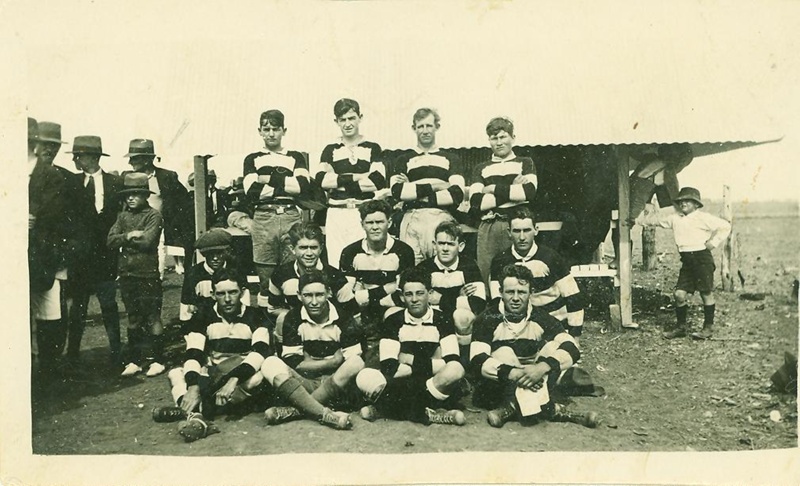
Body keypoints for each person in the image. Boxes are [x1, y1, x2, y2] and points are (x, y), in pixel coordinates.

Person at [470, 264, 599, 429]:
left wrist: (541, 368)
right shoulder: (488, 318)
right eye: (510, 292)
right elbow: (477, 359)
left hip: (536, 377)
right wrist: (515, 373)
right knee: (504, 351)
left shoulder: (540, 316)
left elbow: (572, 347)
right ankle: (551, 410)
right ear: (501, 292)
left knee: (554, 346)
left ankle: (511, 408)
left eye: (522, 292)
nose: (516, 298)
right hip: (501, 385)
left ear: (530, 293)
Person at [152, 269, 273, 442]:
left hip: (242, 377)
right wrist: (193, 387)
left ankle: (190, 412)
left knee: (260, 376)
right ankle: (197, 414)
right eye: (221, 294)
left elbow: (259, 353)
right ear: (213, 294)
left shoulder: (255, 316)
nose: (228, 299)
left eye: (233, 292)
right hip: (215, 375)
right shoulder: (203, 316)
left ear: (243, 292)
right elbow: (194, 353)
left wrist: (234, 379)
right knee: (176, 373)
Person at [356, 267, 467, 426]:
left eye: (420, 293)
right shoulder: (393, 321)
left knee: (455, 369)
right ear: (401, 296)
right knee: (364, 376)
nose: (414, 299)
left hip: (431, 382)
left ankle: (384, 409)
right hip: (403, 383)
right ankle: (428, 413)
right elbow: (389, 368)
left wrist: (408, 359)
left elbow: (452, 362)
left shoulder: (442, 319)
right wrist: (432, 362)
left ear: (429, 294)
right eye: (409, 294)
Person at [260, 270, 365, 430]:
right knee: (270, 363)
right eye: (308, 295)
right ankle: (325, 414)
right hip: (304, 384)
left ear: (329, 293)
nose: (314, 301)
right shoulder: (293, 318)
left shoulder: (343, 318)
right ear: (299, 295)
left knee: (356, 362)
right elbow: (295, 364)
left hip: (336, 387)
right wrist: (333, 361)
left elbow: (352, 363)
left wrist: (309, 362)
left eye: (319, 295)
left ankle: (296, 411)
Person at [635, 187, 731, 340]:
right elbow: (655, 221)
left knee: (706, 293)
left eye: (688, 201)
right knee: (679, 294)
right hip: (687, 261)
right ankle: (681, 327)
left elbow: (725, 226)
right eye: (681, 201)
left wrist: (713, 242)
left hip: (702, 259)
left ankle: (708, 327)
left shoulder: (703, 218)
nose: (684, 203)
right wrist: (635, 220)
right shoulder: (675, 218)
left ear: (696, 204)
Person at [64, 135, 124, 368]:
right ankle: (72, 353)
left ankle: (117, 351)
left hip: (106, 256)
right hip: (79, 257)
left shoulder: (115, 183)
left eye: (79, 156)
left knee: (109, 303)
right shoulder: (71, 183)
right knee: (77, 306)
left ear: (94, 157)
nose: (76, 160)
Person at [489, 207, 584, 340]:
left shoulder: (551, 257)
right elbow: (497, 301)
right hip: (519, 326)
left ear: (536, 230)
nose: (522, 237)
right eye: (516, 231)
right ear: (509, 233)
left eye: (527, 230)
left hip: (553, 323)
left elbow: (573, 295)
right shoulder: (500, 260)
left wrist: (575, 336)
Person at [243, 109, 311, 289]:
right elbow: (252, 191)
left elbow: (301, 187)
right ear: (260, 131)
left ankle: (292, 315)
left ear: (284, 130)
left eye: (275, 128)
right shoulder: (252, 158)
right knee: (265, 275)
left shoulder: (295, 157)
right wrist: (286, 185)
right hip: (264, 217)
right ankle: (268, 315)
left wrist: (266, 180)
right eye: (266, 129)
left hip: (290, 216)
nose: (271, 134)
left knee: (295, 270)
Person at [315, 98, 386, 268]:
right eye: (342, 119)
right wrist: (361, 176)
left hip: (362, 212)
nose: (347, 124)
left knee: (363, 261)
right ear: (336, 121)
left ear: (360, 118)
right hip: (336, 212)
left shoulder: (373, 148)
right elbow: (322, 180)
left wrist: (338, 178)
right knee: (335, 263)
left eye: (351, 118)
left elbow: (377, 181)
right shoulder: (330, 149)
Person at [107, 172, 165, 377]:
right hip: (127, 273)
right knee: (133, 316)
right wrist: (129, 235)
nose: (131, 198)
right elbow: (110, 240)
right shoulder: (122, 216)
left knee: (151, 315)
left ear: (146, 196)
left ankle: (158, 359)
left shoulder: (153, 215)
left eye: (136, 194)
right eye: (128, 194)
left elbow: (148, 241)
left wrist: (125, 240)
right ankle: (135, 360)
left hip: (147, 273)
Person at [389, 107, 465, 264]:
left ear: (437, 127)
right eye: (420, 126)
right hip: (412, 218)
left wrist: (413, 189)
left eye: (429, 126)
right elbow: (397, 192)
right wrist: (438, 186)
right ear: (414, 128)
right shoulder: (403, 159)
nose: (425, 131)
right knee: (411, 271)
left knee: (440, 267)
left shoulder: (451, 158)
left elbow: (457, 193)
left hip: (441, 217)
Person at [468, 117, 538, 283]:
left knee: (519, 274)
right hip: (491, 225)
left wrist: (492, 189)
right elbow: (477, 202)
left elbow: (529, 192)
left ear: (513, 138)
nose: (499, 142)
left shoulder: (525, 163)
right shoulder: (481, 168)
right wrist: (511, 188)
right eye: (494, 138)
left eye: (503, 137)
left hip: (517, 225)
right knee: (488, 274)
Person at [263, 222, 357, 345]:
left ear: (321, 248)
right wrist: (296, 316)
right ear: (292, 249)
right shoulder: (281, 274)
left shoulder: (334, 276)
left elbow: (353, 312)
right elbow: (273, 308)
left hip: (329, 329)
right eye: (303, 248)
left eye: (313, 247)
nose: (309, 253)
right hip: (297, 329)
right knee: (282, 319)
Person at [339, 200, 415, 351]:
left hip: (391, 307)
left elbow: (403, 292)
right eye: (370, 222)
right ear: (362, 224)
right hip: (361, 310)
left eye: (380, 222)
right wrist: (387, 288)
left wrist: (366, 294)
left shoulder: (404, 251)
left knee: (395, 317)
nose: (375, 227)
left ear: (390, 222)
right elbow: (346, 295)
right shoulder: (350, 252)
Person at [28, 118, 69, 378]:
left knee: (51, 315)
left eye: (54, 146)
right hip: (24, 255)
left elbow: (65, 220)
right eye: (45, 144)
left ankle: (48, 369)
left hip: (50, 255)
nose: (49, 150)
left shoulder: (59, 177)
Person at [414, 221, 486, 363]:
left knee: (462, 316)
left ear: (461, 246)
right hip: (433, 317)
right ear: (434, 245)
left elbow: (478, 303)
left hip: (455, 318)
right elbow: (418, 300)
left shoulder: (469, 266)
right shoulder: (424, 268)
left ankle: (465, 363)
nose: (445, 249)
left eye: (451, 244)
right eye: (441, 243)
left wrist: (441, 299)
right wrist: (459, 297)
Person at [123, 139, 193, 276]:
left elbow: (184, 201)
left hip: (157, 225)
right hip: (134, 225)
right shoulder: (127, 177)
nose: (130, 163)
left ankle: (156, 282)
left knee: (158, 255)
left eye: (134, 159)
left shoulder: (167, 177)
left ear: (147, 160)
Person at [179, 228, 250, 324]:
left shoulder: (236, 271)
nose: (215, 258)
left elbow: (245, 304)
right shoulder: (194, 274)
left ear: (226, 252)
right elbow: (186, 309)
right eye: (210, 254)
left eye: (219, 253)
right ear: (204, 254)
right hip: (204, 323)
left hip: (235, 322)